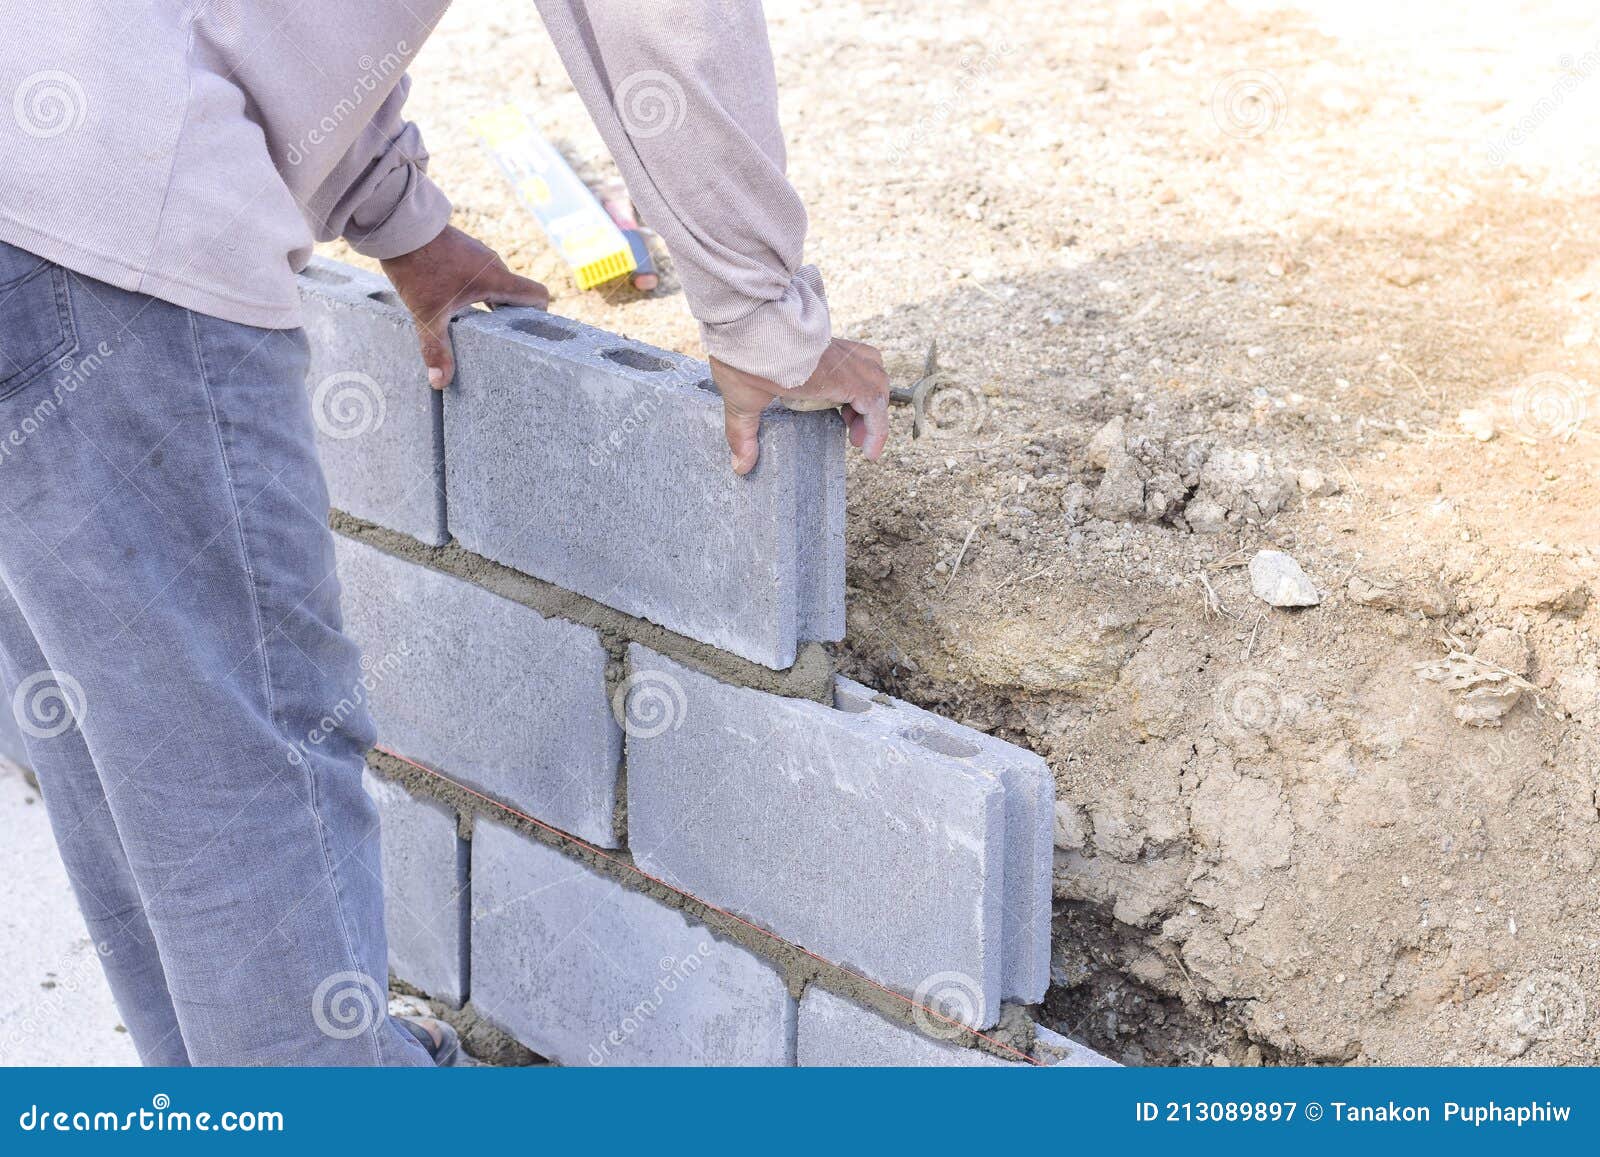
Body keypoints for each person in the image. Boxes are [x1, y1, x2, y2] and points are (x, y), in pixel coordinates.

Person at [0, 1, 888, 1066]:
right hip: (95, 224)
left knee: (122, 733)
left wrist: (403, 224)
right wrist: (761, 320)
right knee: (240, 763)